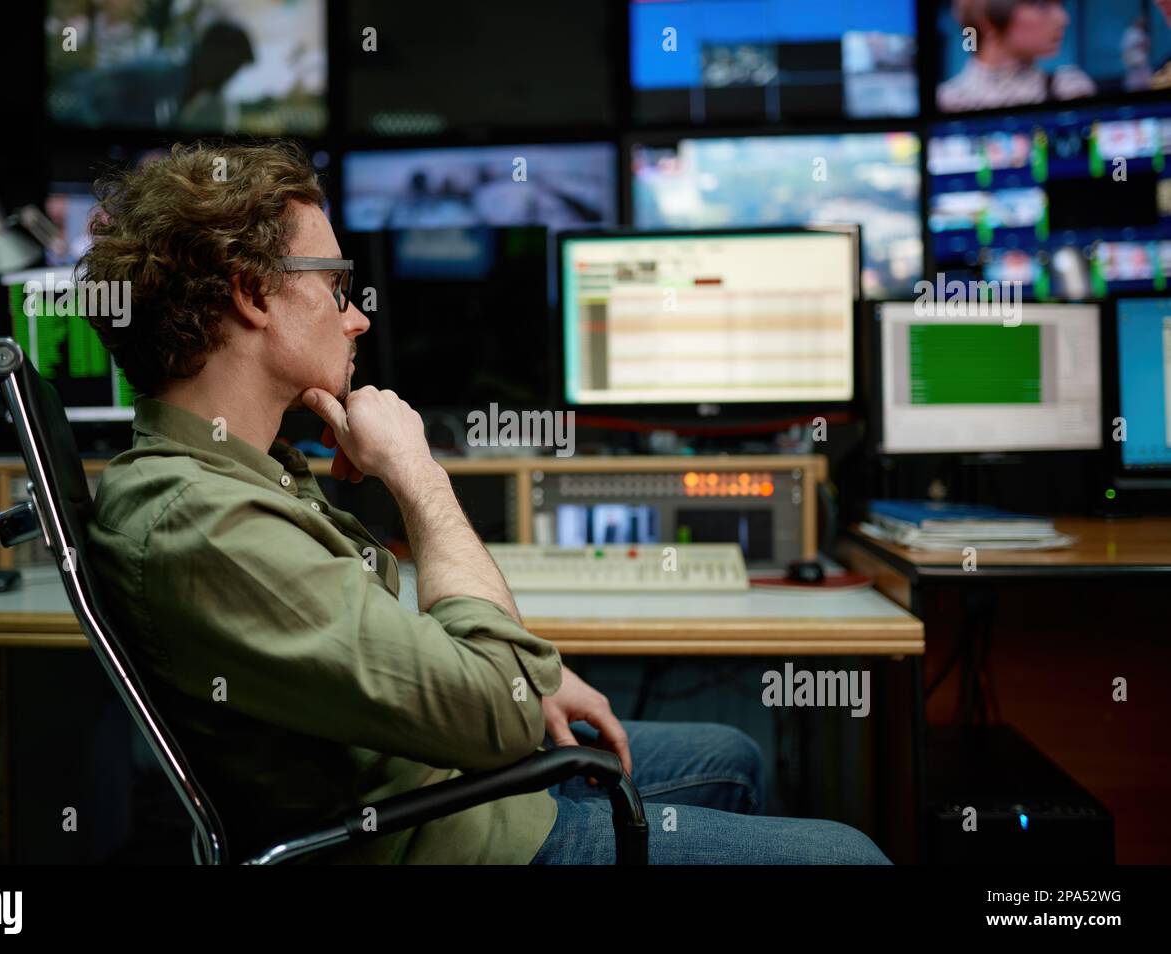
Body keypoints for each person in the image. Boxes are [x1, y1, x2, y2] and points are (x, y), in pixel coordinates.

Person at [80, 140, 890, 865]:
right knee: (850, 855)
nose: (357, 316)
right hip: (445, 833)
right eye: (334, 285)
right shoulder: (203, 522)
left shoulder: (234, 473)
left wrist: (520, 682)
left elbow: (419, 668)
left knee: (731, 752)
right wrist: (417, 472)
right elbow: (497, 708)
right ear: (252, 294)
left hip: (431, 772)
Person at [938, 0, 1096, 112]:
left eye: (1059, 5)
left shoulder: (1070, 88)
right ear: (988, 19)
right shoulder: (947, 101)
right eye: (1042, 5)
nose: (1063, 19)